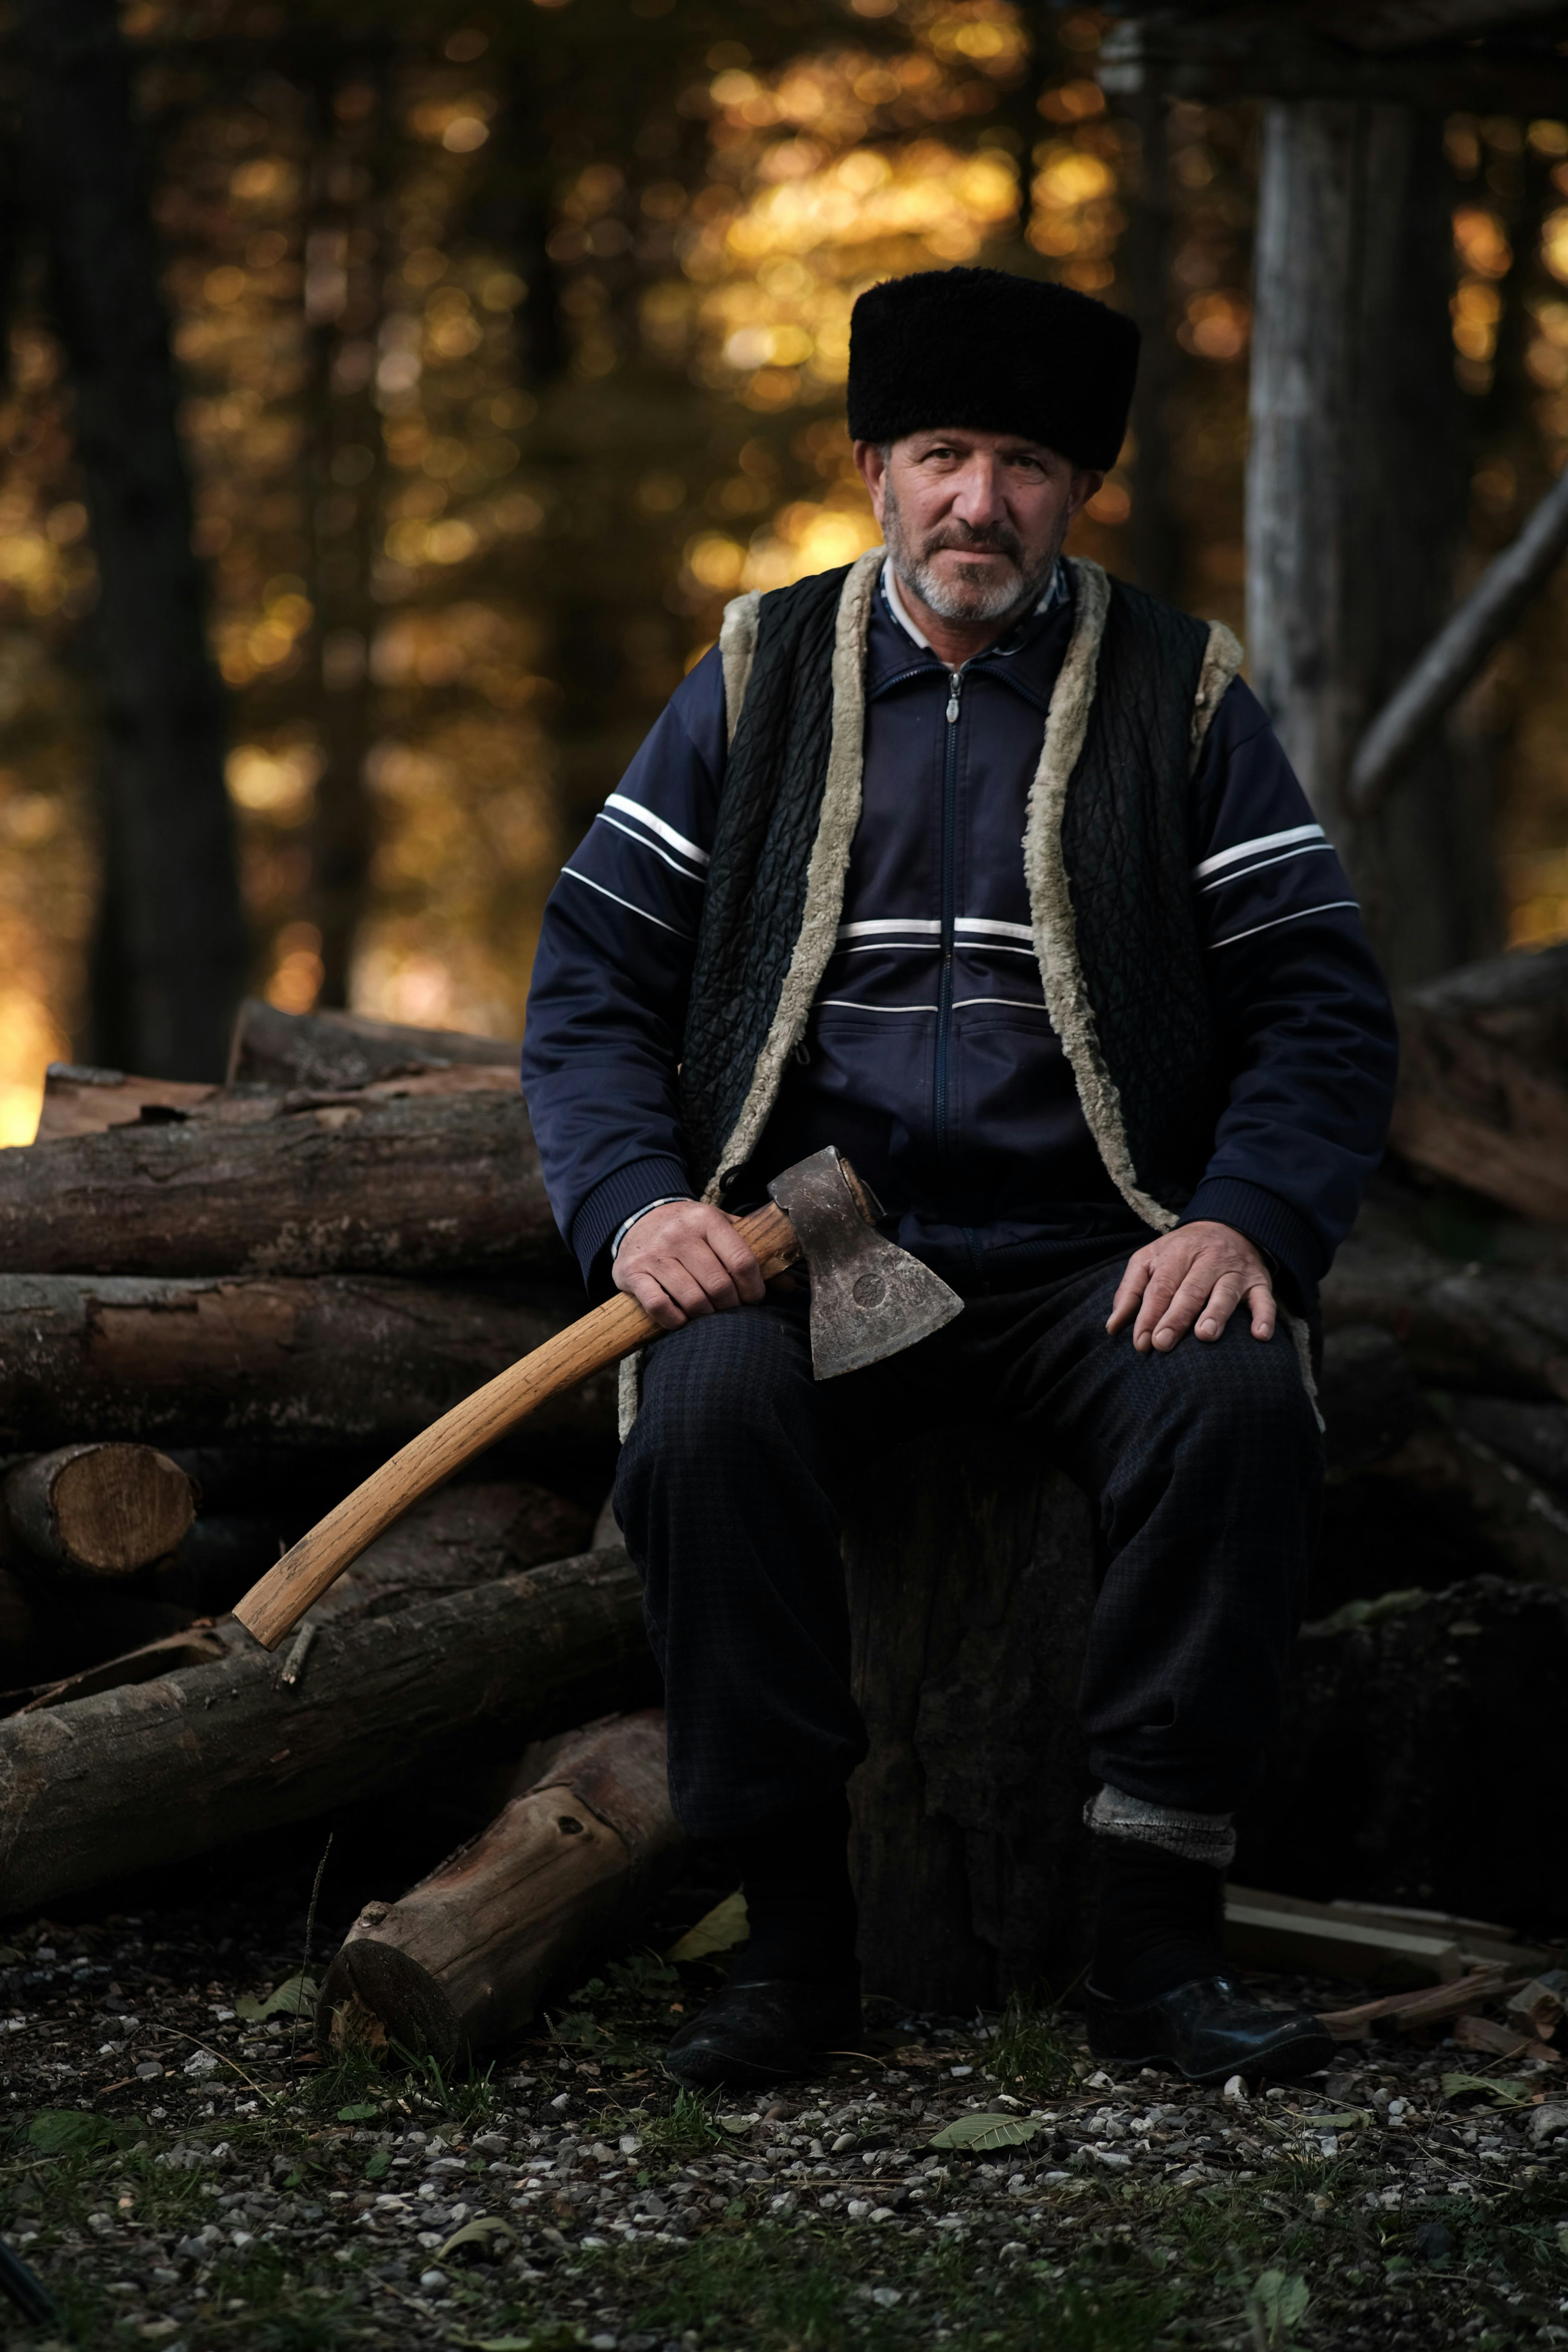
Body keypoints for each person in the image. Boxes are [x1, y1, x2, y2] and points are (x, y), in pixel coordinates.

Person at [521, 266, 1398, 2090]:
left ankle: (1152, 1947)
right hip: (799, 1248)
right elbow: (591, 984)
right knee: (694, 1421)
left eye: (1021, 463)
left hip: (1095, 1255)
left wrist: (1244, 1214)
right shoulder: (754, 676)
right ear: (870, 467)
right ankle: (790, 1954)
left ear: (1077, 491)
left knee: (1234, 1403)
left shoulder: (1181, 694)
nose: (976, 501)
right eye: (939, 454)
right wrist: (636, 1209)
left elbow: (1316, 1004)